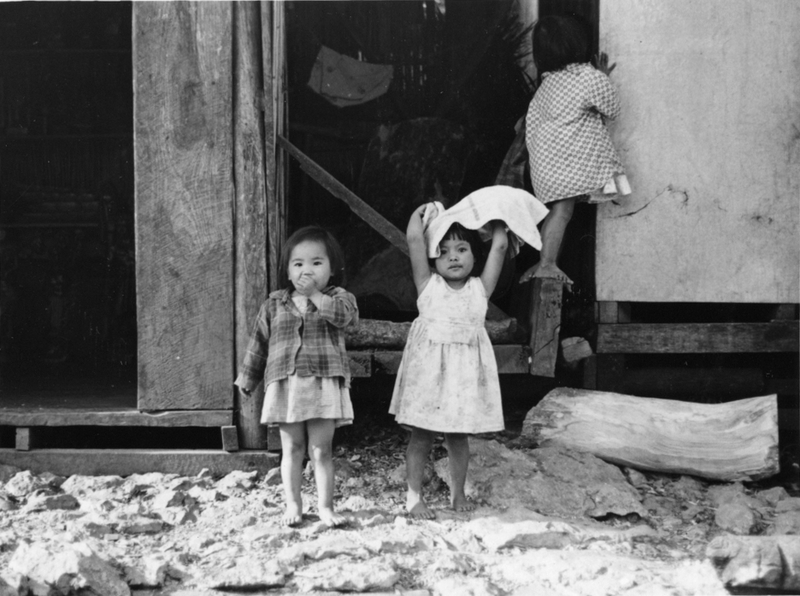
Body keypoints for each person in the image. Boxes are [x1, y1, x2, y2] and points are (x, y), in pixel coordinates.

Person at [389, 203, 508, 519]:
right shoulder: (428, 286)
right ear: (433, 260)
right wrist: (417, 213)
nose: (453, 256)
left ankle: (457, 494)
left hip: (463, 378)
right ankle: (414, 496)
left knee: (458, 437)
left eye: (461, 248)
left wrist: (494, 221)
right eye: (442, 252)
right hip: (428, 374)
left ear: (473, 255)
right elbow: (415, 240)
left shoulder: (479, 290)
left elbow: (500, 246)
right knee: (422, 434)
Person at [235, 226, 358, 527]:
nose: (307, 270)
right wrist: (247, 379)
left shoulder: (339, 298)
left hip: (323, 382)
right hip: (287, 385)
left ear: (332, 268)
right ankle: (293, 503)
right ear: (287, 271)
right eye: (298, 263)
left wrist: (315, 294)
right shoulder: (274, 303)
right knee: (291, 448)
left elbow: (345, 319)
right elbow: (258, 343)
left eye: (317, 263)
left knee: (321, 449)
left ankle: (326, 506)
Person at [521, 14, 630, 286]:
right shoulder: (586, 77)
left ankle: (546, 261)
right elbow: (613, 109)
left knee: (560, 212)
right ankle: (546, 263)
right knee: (562, 213)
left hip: (548, 166)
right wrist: (603, 78)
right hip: (570, 164)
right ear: (577, 45)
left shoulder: (546, 84)